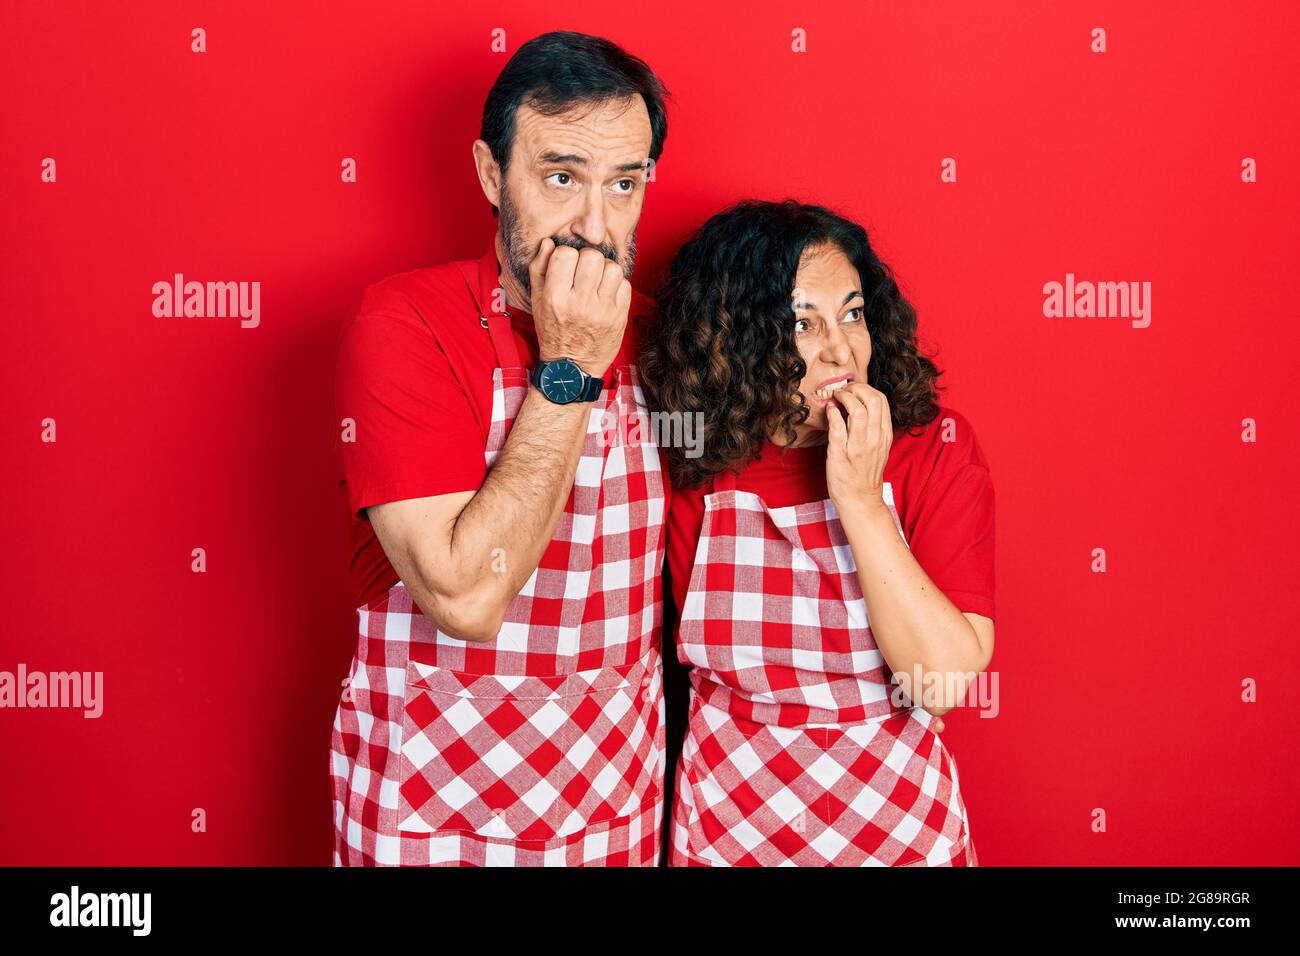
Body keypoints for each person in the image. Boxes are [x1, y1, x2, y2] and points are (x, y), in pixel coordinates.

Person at [329, 32, 672, 866]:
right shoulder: (405, 325)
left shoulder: (668, 340)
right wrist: (572, 367)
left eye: (623, 185)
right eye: (561, 178)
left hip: (611, 811)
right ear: (492, 174)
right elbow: (466, 601)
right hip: (433, 818)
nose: (596, 226)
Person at [642, 199, 995, 866]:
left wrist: (860, 500)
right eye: (802, 324)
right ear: (736, 340)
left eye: (853, 313)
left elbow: (940, 682)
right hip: (729, 828)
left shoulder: (934, 450)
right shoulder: (691, 462)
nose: (842, 349)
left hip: (895, 830)